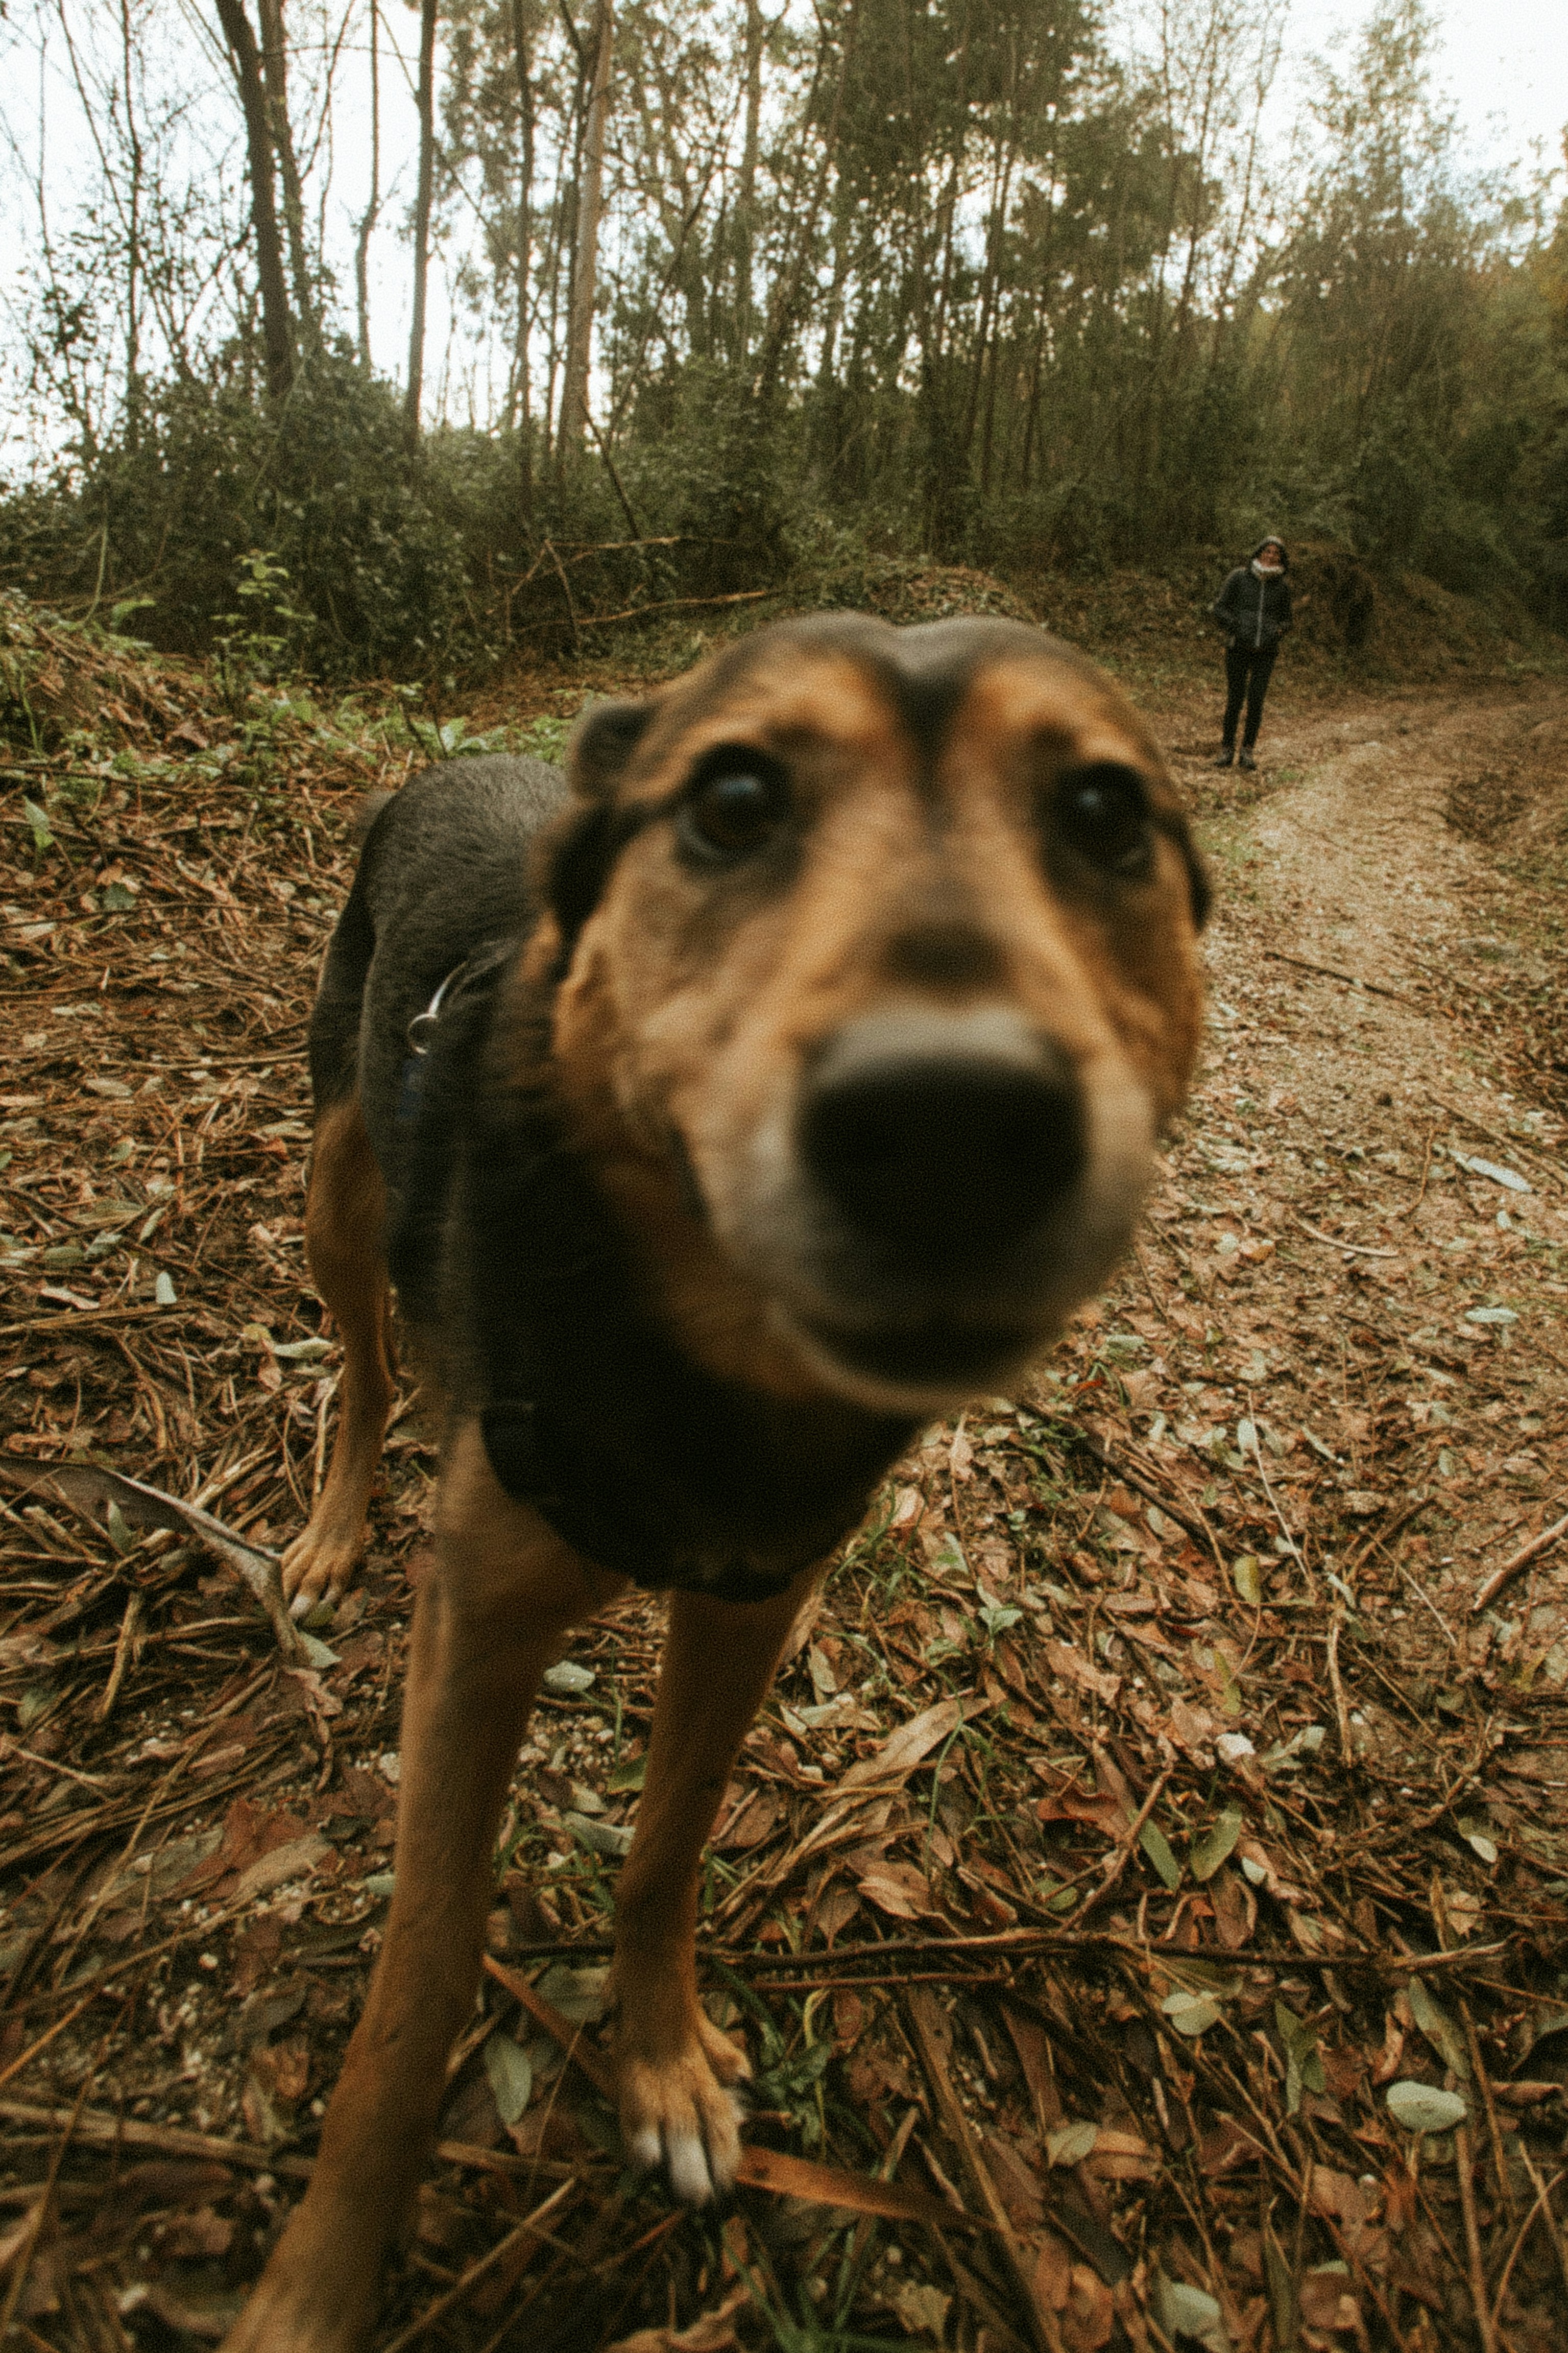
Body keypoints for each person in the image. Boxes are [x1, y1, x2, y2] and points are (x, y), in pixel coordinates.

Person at [1211, 536, 1292, 770]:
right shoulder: (1239, 578)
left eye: (1276, 553)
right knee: (1235, 700)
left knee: (1256, 701)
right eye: (1267, 551)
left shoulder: (1283, 587)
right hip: (1238, 648)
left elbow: (1288, 620)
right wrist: (1236, 626)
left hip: (1266, 652)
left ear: (1281, 558)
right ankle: (1227, 750)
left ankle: (1247, 752)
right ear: (1258, 553)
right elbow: (1220, 608)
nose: (1271, 556)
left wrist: (1278, 630)